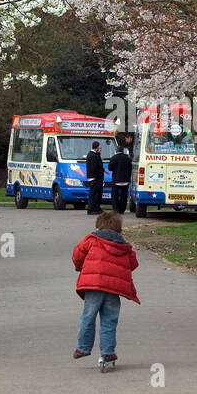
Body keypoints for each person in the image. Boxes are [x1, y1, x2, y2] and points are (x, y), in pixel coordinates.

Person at [71, 211, 139, 363]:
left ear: (98, 227)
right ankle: (107, 352)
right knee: (110, 319)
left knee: (88, 316)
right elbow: (133, 264)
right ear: (119, 229)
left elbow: (77, 255)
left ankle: (83, 347)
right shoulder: (123, 245)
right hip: (114, 288)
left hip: (93, 285)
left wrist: (80, 267)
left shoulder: (91, 239)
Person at [108, 142, 133, 214]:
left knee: (115, 196)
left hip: (116, 180)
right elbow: (130, 168)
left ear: (116, 150)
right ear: (123, 151)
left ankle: (116, 209)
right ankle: (122, 209)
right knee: (124, 196)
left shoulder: (114, 158)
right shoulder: (127, 158)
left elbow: (110, 168)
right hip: (125, 180)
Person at [85, 140, 105, 213]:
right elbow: (94, 168)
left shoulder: (94, 155)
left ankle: (96, 208)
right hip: (94, 178)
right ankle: (92, 209)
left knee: (97, 194)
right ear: (96, 147)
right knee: (93, 194)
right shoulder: (92, 156)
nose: (100, 149)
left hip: (95, 177)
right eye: (99, 147)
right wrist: (99, 176)